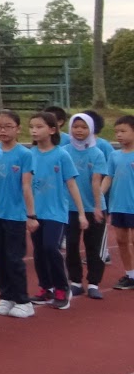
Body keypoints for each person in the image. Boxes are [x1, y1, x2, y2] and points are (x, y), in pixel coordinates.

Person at [26, 112, 85, 311]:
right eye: (31, 127)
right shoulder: (29, 155)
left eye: (39, 127)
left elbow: (72, 184)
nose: (34, 131)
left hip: (55, 212)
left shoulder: (61, 155)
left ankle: (62, 287)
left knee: (51, 247)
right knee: (39, 251)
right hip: (34, 212)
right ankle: (46, 287)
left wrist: (81, 212)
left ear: (52, 130)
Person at [0, 110, 38, 319]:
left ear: (18, 129)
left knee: (14, 258)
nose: (3, 130)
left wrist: (31, 215)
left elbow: (26, 186)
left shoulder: (25, 154)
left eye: (8, 126)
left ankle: (23, 300)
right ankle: (6, 296)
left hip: (15, 215)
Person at [64, 111, 110, 299]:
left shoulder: (96, 152)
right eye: (75, 127)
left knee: (94, 246)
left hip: (93, 207)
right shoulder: (65, 151)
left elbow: (96, 181)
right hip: (70, 208)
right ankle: (75, 281)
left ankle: (93, 283)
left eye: (84, 127)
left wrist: (98, 206)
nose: (79, 130)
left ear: (90, 129)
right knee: (71, 245)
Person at [108, 116, 134, 289]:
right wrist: (99, 195)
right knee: (121, 240)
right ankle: (130, 275)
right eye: (117, 132)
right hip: (118, 205)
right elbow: (108, 177)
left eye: (123, 131)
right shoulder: (114, 155)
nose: (119, 135)